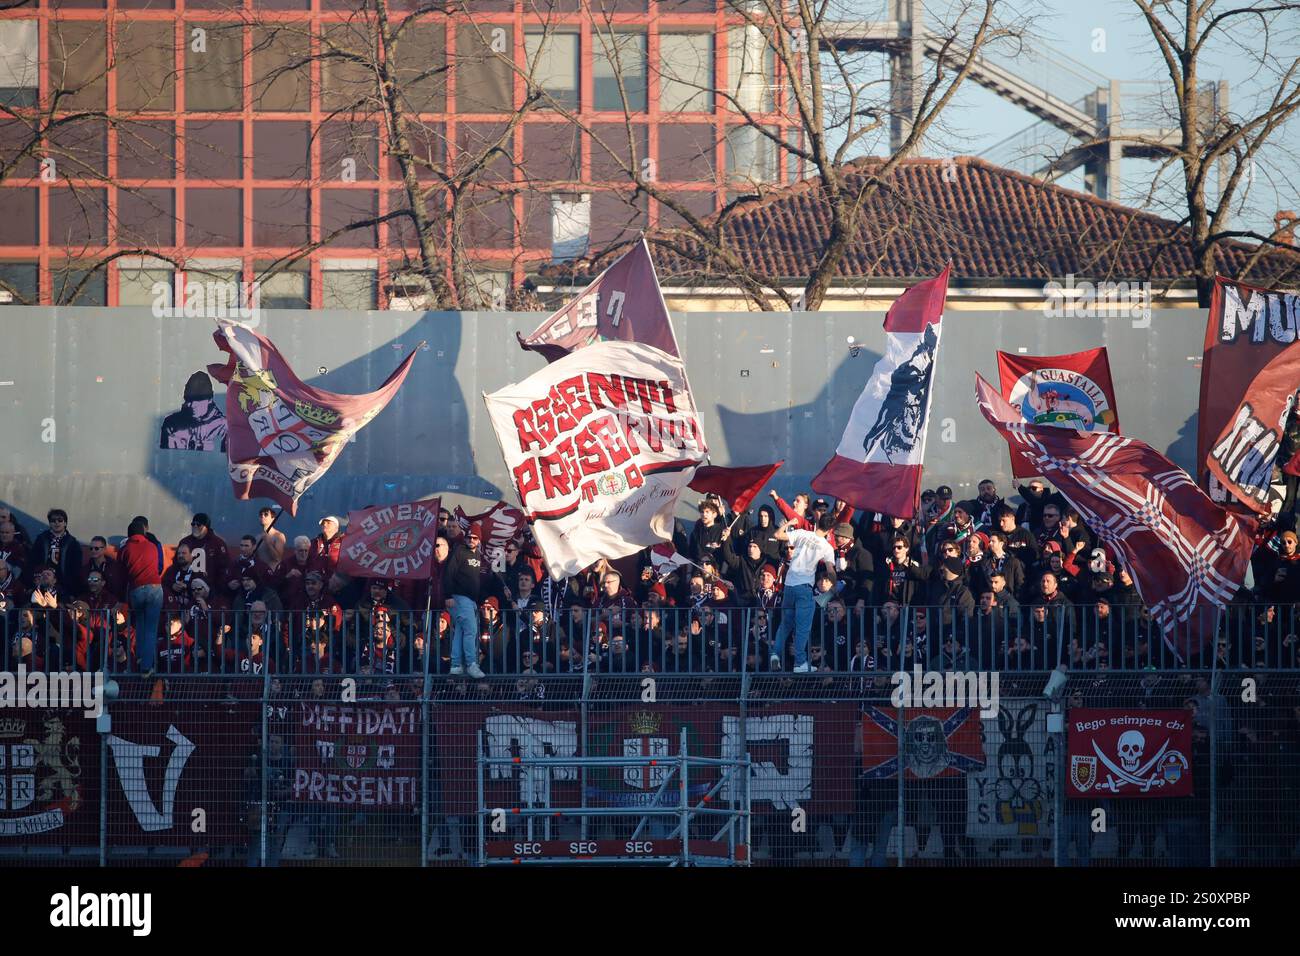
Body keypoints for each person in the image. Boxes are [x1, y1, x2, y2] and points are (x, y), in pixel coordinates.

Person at [769, 513, 837, 673]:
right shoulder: (827, 547)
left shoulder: (802, 533)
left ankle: (775, 654)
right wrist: (834, 584)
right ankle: (800, 662)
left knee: (785, 623)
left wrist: (789, 523)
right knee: (802, 627)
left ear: (818, 522)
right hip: (804, 588)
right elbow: (830, 570)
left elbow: (777, 535)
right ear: (830, 530)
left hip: (789, 586)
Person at [119, 516, 164, 675]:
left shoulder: (125, 550)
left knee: (140, 624)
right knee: (151, 628)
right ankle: (146, 667)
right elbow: (159, 567)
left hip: (136, 589)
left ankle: (139, 656)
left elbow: (122, 573)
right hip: (154, 588)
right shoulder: (152, 546)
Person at [442, 530, 486, 678]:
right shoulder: (459, 551)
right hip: (459, 598)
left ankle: (455, 665)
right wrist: (448, 595)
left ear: (479, 540)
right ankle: (471, 664)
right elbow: (448, 573)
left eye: (475, 538)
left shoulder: (478, 555)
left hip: (470, 600)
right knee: (471, 631)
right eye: (469, 537)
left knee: (461, 631)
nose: (471, 540)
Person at [31, 509, 83, 593]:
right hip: (43, 580)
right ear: (49, 523)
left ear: (65, 523)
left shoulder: (73, 543)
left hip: (65, 583)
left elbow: (76, 567)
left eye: (60, 520)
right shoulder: (41, 539)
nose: (56, 523)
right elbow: (33, 561)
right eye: (53, 520)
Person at [179, 513, 230, 583]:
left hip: (210, 587)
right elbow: (176, 565)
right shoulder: (185, 542)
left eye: (198, 525)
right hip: (186, 585)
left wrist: (217, 588)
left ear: (206, 527)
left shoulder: (218, 543)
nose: (195, 526)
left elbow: (224, 567)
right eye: (193, 524)